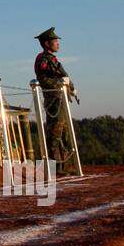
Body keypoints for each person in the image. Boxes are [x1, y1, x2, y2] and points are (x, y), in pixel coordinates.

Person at [34, 27, 79, 169]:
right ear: (47, 44)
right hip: (54, 100)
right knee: (55, 134)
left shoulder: (52, 59)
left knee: (65, 134)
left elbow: (61, 75)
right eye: (55, 41)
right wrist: (60, 84)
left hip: (60, 99)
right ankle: (55, 167)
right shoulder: (43, 59)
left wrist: (69, 87)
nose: (58, 44)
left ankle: (65, 166)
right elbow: (44, 80)